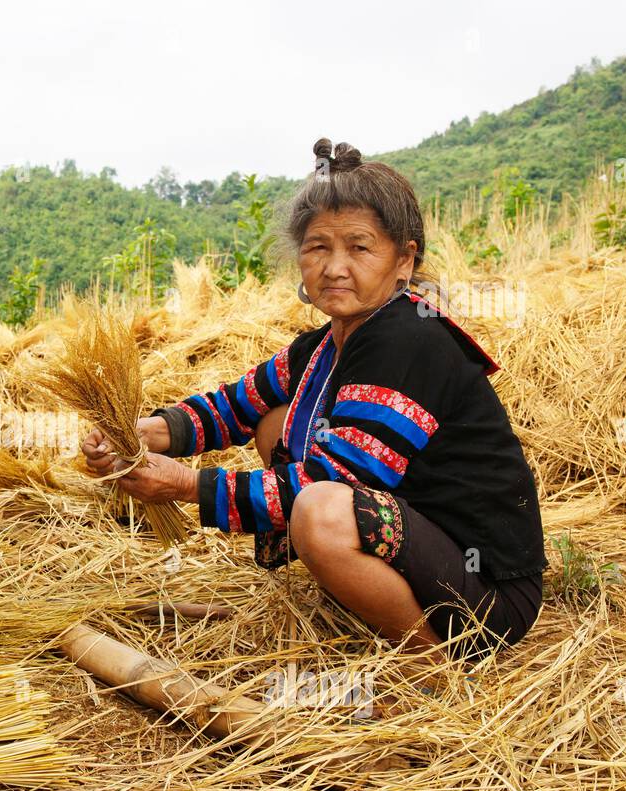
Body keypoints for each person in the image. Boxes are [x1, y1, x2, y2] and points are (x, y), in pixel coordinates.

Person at [82, 137, 546, 670]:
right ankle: (363, 593)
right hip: (422, 552)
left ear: (404, 260)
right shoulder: (327, 343)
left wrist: (187, 486)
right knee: (274, 420)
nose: (335, 267)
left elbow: (336, 481)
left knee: (320, 511)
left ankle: (428, 663)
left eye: (360, 247)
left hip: (484, 598)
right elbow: (235, 406)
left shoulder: (409, 341)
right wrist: (140, 434)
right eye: (318, 247)